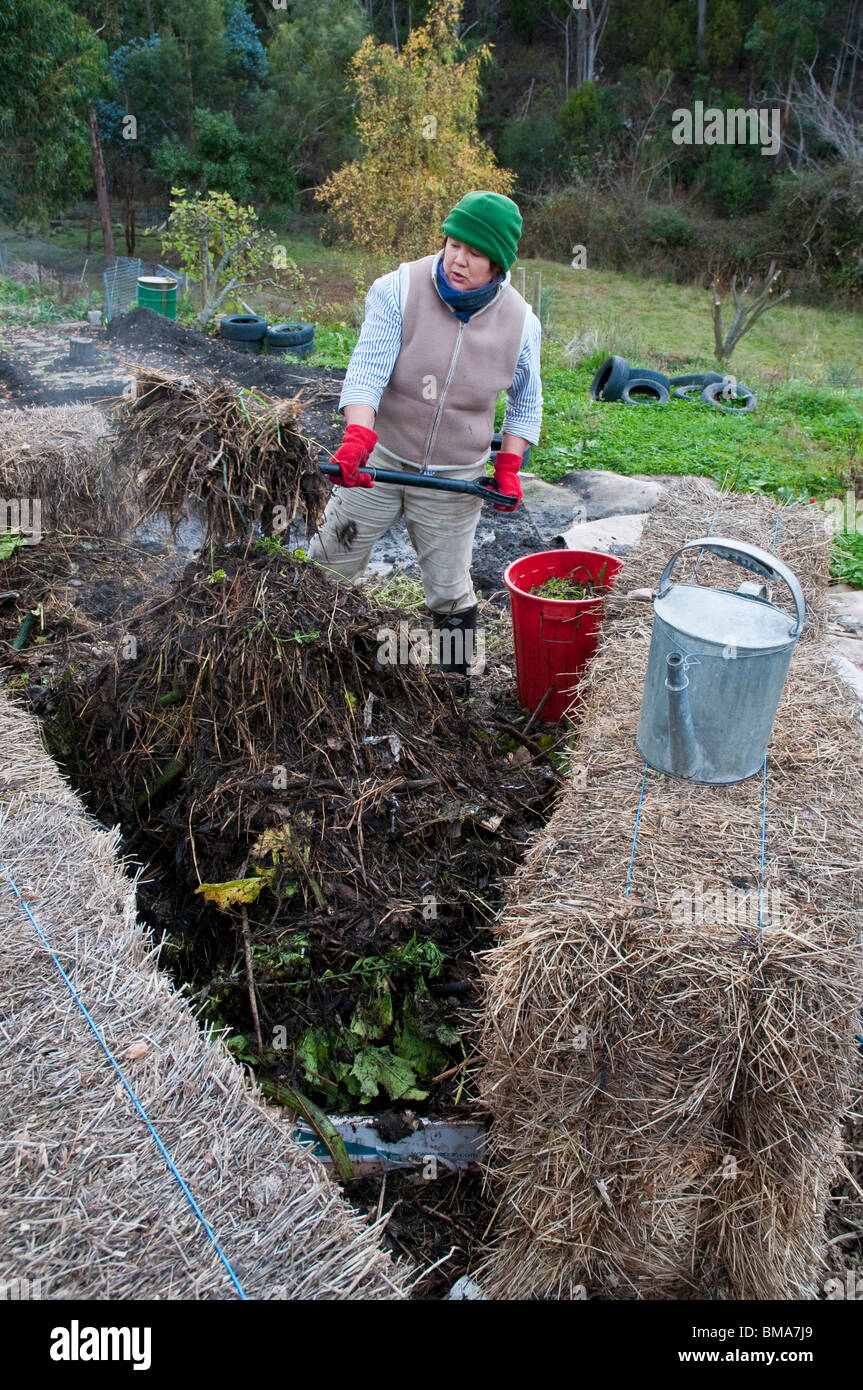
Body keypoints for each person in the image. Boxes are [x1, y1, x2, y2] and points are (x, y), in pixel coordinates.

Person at [308, 189, 543, 686]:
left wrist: (508, 467)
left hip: (456, 473)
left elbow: (526, 402)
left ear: (498, 263)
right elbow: (368, 369)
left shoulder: (522, 323)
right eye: (454, 243)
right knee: (329, 561)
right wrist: (357, 437)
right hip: (381, 459)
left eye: (475, 252)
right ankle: (301, 659)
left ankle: (455, 686)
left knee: (450, 589)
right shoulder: (400, 288)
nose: (458, 259)